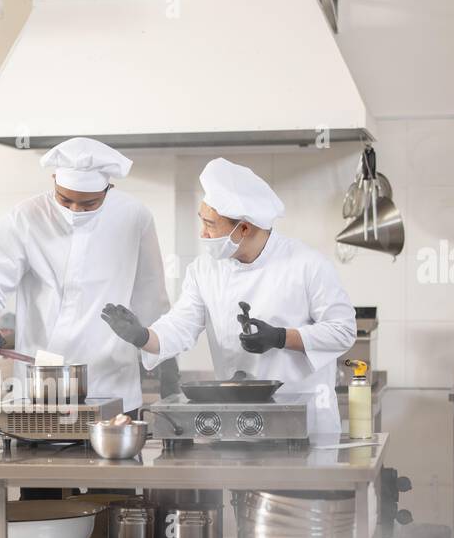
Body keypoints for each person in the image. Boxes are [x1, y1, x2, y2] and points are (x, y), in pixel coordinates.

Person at [102, 158, 355, 439]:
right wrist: (143, 336)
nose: (203, 233)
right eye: (201, 220)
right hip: (238, 425)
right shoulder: (204, 270)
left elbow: (343, 332)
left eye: (210, 224)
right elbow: (181, 325)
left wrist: (281, 337)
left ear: (244, 228)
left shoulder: (308, 265)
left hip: (304, 425)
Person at [0, 137, 169, 415]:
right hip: (39, 386)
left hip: (112, 383)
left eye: (89, 204)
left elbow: (151, 297)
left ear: (109, 189)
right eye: (65, 200)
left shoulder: (135, 216)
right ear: (53, 180)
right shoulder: (26, 217)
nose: (75, 210)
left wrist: (167, 364)